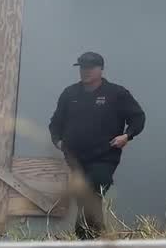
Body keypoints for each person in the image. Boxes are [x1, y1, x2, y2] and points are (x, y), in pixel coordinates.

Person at [48, 51, 146, 238]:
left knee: (94, 189)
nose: (85, 71)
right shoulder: (70, 94)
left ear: (100, 69)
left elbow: (138, 117)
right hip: (75, 158)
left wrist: (127, 136)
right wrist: (58, 141)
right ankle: (96, 237)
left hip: (104, 156)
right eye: (82, 68)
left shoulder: (116, 93)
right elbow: (55, 123)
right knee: (85, 197)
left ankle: (84, 234)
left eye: (90, 68)